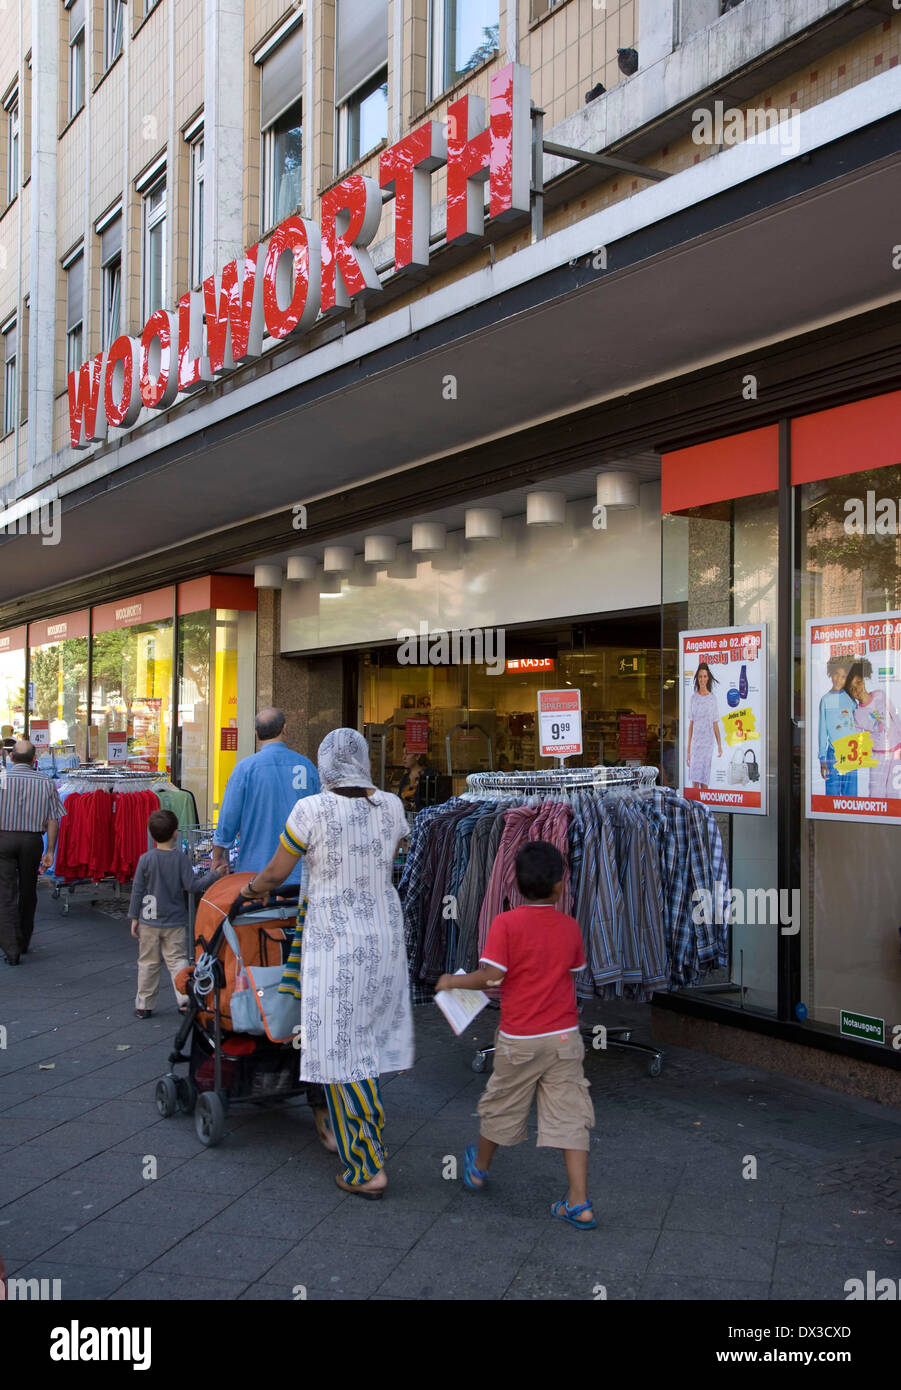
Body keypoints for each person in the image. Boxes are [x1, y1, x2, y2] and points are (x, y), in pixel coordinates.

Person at [241, 728, 413, 1198]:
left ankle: (366, 1166)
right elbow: (395, 853)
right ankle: (361, 1138)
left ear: (324, 765)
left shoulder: (311, 810)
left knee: (341, 1050)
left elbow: (277, 872)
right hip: (383, 937)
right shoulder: (392, 806)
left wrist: (251, 890)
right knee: (364, 1043)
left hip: (336, 942)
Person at [435, 840, 596, 1229]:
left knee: (503, 1103)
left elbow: (493, 976)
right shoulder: (570, 926)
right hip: (563, 1037)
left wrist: (453, 982)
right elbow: (573, 969)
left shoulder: (505, 923)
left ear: (515, 885)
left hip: (520, 1037)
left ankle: (479, 1168)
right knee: (571, 1113)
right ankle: (579, 1201)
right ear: (561, 885)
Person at [129, 808, 227, 1018]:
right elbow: (192, 886)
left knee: (147, 962)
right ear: (175, 833)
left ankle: (144, 1004)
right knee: (178, 961)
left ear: (150, 834)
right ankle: (184, 999)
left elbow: (137, 889)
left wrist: (134, 917)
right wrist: (214, 875)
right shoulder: (180, 859)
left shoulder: (145, 859)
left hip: (149, 919)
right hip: (174, 920)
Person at [211, 708, 319, 884]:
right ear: (284, 728)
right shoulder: (306, 766)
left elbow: (227, 820)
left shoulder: (245, 769)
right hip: (300, 874)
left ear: (256, 733)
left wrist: (218, 855)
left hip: (255, 875)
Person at [0, 739, 63, 965]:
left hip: (4, 839)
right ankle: (23, 939)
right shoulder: (45, 782)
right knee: (28, 891)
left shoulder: (2, 779)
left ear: (12, 757)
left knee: (5, 893)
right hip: (32, 840)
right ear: (34, 760)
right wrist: (50, 850)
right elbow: (53, 820)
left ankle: (11, 948)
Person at [845, 660, 901, 798]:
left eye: (858, 682)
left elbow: (894, 714)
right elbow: (859, 738)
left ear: (863, 680)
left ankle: (891, 817)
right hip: (878, 754)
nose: (857, 689)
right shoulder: (857, 713)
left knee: (893, 790)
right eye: (852, 689)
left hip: (896, 749)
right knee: (876, 790)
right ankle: (876, 817)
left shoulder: (880, 695)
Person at [817, 656, 858, 795]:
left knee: (851, 796)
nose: (839, 679)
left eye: (843, 677)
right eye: (836, 674)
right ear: (831, 673)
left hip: (852, 754)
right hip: (833, 755)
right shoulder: (825, 700)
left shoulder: (851, 699)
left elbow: (857, 723)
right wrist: (822, 758)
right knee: (832, 796)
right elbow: (822, 731)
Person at [686, 662, 722, 788]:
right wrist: (688, 749)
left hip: (708, 744)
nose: (702, 679)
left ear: (708, 678)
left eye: (704, 676)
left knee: (704, 780)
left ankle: (705, 806)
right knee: (694, 780)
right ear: (697, 678)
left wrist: (720, 745)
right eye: (700, 676)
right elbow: (691, 725)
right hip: (696, 744)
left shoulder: (713, 699)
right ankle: (694, 806)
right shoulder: (693, 698)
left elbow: (715, 724)